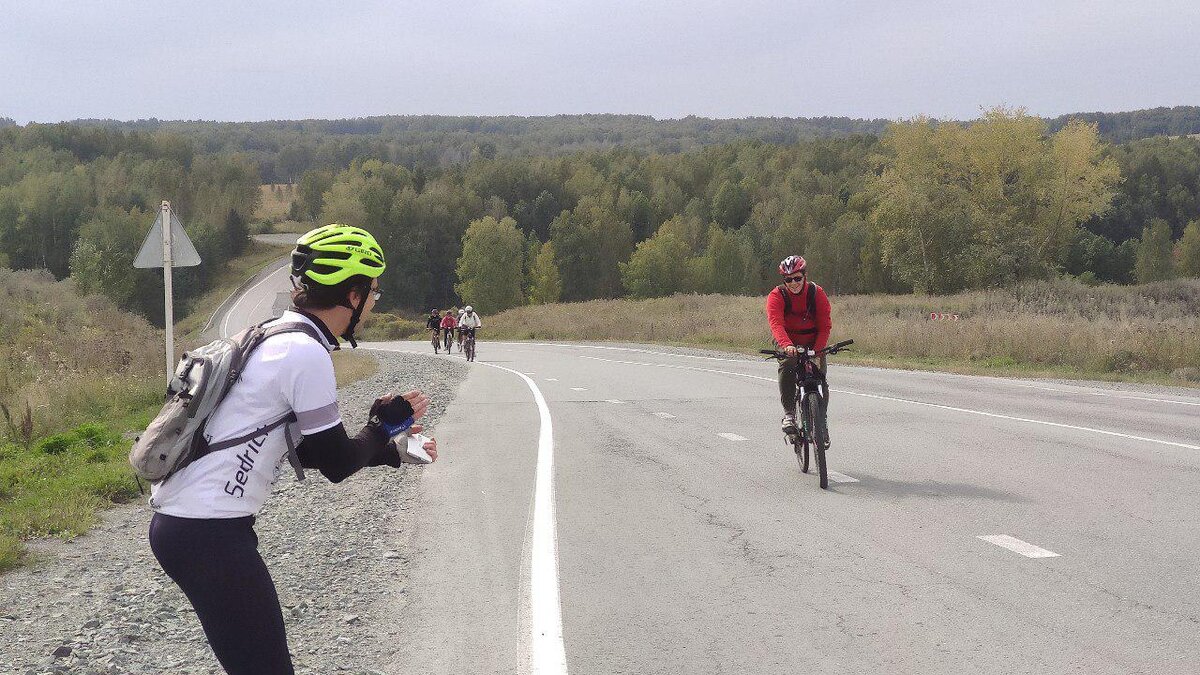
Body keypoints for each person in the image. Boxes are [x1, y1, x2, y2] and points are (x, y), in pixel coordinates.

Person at [147, 223, 439, 675]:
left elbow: (316, 451)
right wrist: (381, 429)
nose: (375, 302)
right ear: (353, 295)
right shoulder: (306, 354)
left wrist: (390, 447)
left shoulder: (276, 334)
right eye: (374, 291)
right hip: (208, 533)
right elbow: (338, 463)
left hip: (192, 527)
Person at [765, 255, 831, 436]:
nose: (793, 283)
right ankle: (789, 415)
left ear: (805, 276)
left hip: (813, 341)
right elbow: (776, 324)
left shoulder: (817, 293)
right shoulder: (777, 296)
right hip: (788, 342)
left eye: (797, 278)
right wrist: (786, 345)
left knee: (820, 379)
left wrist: (818, 350)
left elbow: (825, 326)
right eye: (788, 280)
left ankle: (821, 423)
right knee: (788, 365)